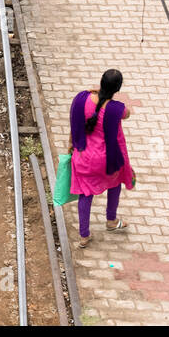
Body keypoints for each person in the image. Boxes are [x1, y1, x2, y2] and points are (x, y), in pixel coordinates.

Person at [70, 69, 135, 247]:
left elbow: (74, 124)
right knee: (115, 183)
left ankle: (84, 236)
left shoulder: (82, 98)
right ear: (118, 88)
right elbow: (127, 113)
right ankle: (111, 220)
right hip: (107, 161)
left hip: (83, 157)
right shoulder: (117, 109)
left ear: (100, 82)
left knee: (86, 193)